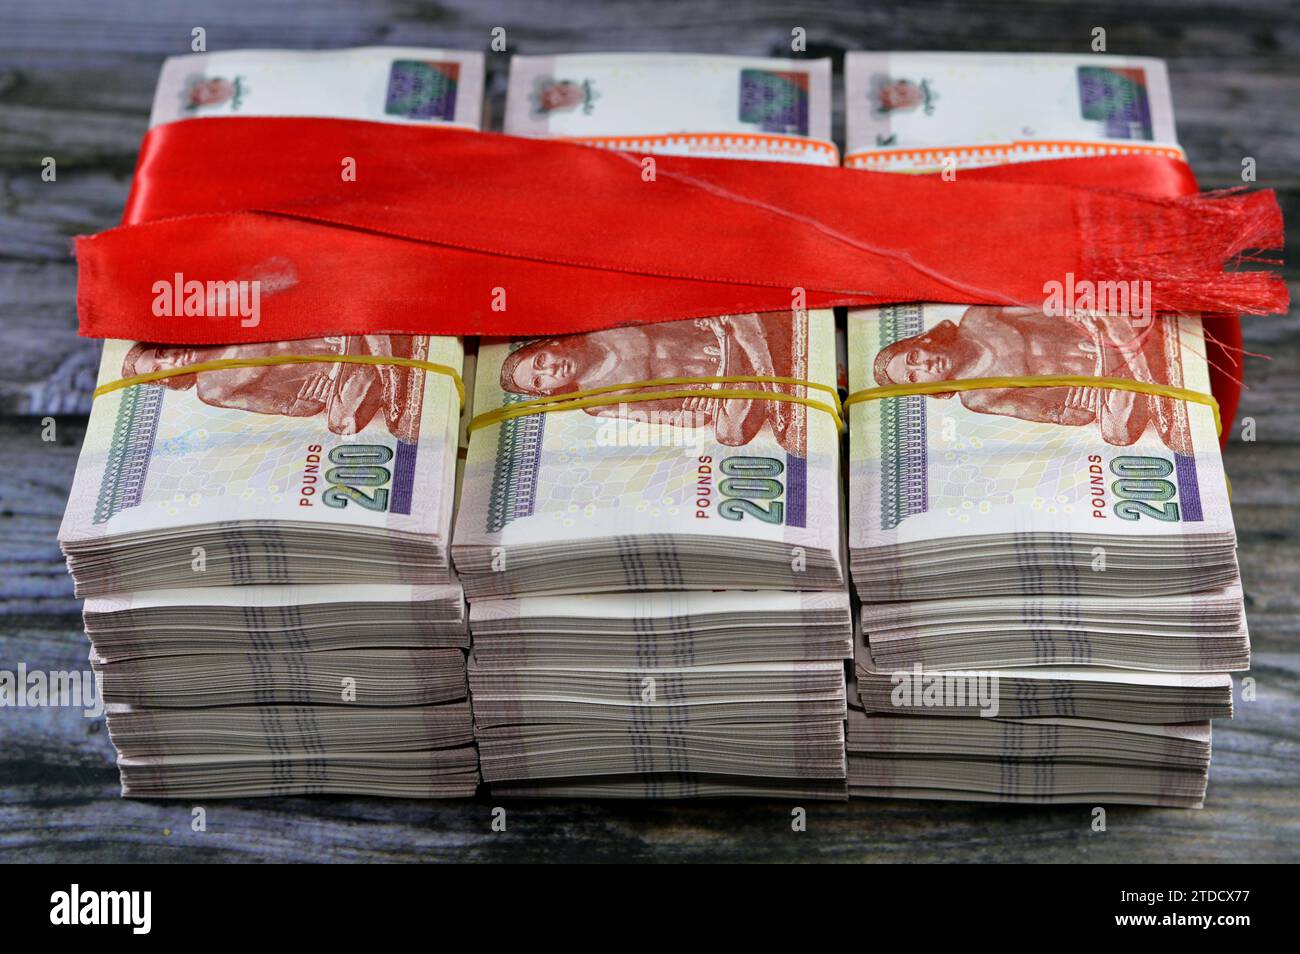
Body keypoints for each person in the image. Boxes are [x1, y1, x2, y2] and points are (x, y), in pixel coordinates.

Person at [871, 305, 1193, 454]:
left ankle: (1142, 367)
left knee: (1108, 314)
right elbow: (1054, 414)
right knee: (1117, 433)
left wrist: (1083, 319)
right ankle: (1142, 367)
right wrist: (1076, 406)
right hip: (1102, 384)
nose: (925, 366)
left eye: (913, 357)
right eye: (915, 377)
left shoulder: (978, 318)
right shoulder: (977, 398)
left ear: (922, 341)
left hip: (1099, 333)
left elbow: (1052, 308)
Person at [499, 313, 807, 453]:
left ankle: (772, 387)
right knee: (730, 434)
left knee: (738, 317)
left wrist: (705, 323)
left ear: (550, 344)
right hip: (728, 383)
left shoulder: (600, 322)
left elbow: (681, 315)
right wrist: (711, 397)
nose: (551, 369)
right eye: (540, 380)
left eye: (540, 360)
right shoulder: (597, 405)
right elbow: (687, 418)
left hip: (727, 341)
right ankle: (769, 383)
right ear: (548, 391)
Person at [120, 334, 426, 442]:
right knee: (340, 422)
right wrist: (315, 392)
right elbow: (295, 408)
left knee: (358, 305)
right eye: (160, 370)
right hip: (338, 373)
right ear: (166, 381)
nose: (172, 360)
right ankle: (383, 371)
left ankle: (386, 371)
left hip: (344, 329)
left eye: (161, 353)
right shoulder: (213, 391)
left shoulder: (217, 318)